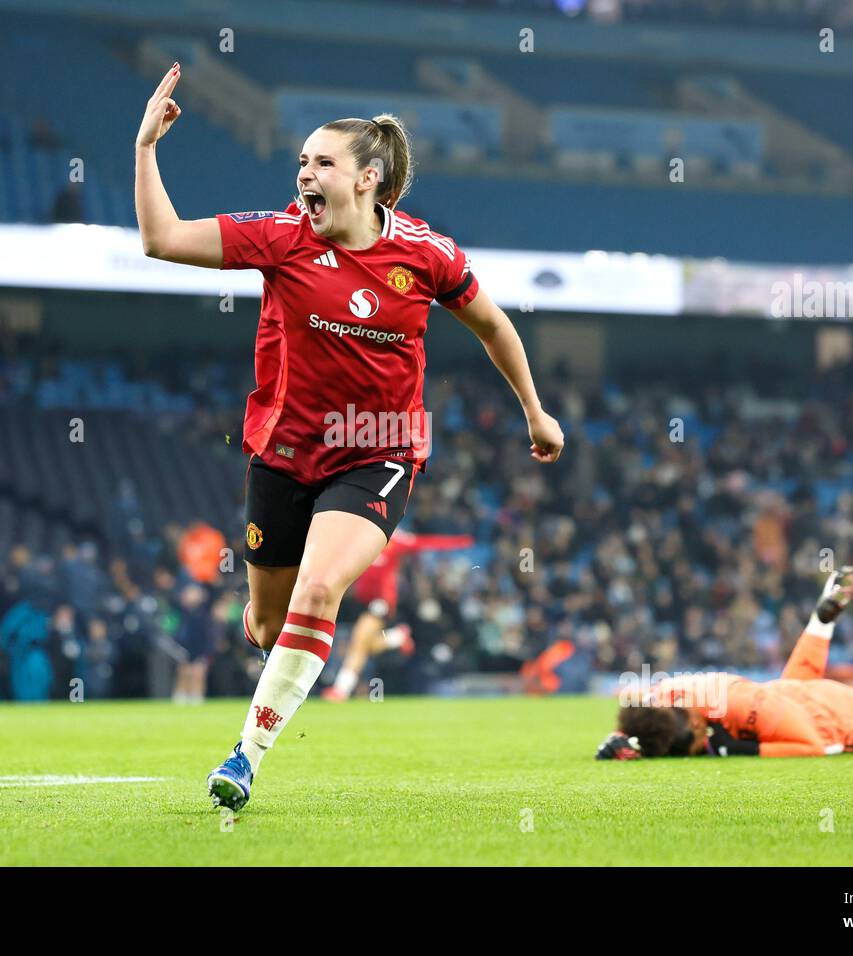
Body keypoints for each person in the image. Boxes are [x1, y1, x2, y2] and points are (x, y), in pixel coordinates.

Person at [134, 62, 565, 811]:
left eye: (321, 162)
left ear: (367, 179)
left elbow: (493, 325)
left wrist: (534, 409)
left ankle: (245, 758)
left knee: (321, 588)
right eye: (300, 161)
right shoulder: (279, 238)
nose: (304, 174)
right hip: (283, 452)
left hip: (379, 448)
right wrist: (146, 150)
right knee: (270, 623)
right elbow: (162, 240)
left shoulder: (426, 255)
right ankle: (282, 642)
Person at [596, 563, 853, 760]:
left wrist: (736, 751)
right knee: (783, 702)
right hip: (786, 697)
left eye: (700, 739)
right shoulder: (665, 699)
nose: (701, 745)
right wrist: (620, 741)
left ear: (700, 721)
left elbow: (812, 743)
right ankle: (821, 621)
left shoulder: (735, 709)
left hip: (835, 715)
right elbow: (640, 716)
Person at [320, 528, 474, 701]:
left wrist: (462, 541)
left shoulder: (395, 539)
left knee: (359, 641)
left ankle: (341, 690)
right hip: (361, 601)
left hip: (381, 601)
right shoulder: (358, 535)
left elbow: (424, 542)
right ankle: (397, 637)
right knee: (365, 646)